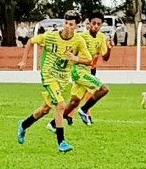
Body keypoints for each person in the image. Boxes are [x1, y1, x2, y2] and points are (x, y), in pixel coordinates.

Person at [17, 10, 92, 153]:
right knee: (61, 104)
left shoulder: (78, 41)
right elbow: (31, 41)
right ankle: (61, 142)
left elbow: (89, 60)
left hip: (62, 79)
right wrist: (23, 61)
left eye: (71, 24)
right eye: (65, 23)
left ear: (76, 26)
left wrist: (76, 59)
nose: (67, 26)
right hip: (48, 75)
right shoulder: (50, 36)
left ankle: (23, 125)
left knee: (45, 110)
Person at [48, 11, 111, 130]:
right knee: (104, 89)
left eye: (99, 24)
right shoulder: (81, 37)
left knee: (73, 103)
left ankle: (52, 124)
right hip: (78, 71)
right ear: (89, 23)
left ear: (101, 25)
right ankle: (84, 109)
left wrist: (109, 49)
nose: (96, 26)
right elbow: (71, 54)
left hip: (87, 71)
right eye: (94, 23)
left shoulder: (102, 37)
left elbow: (105, 57)